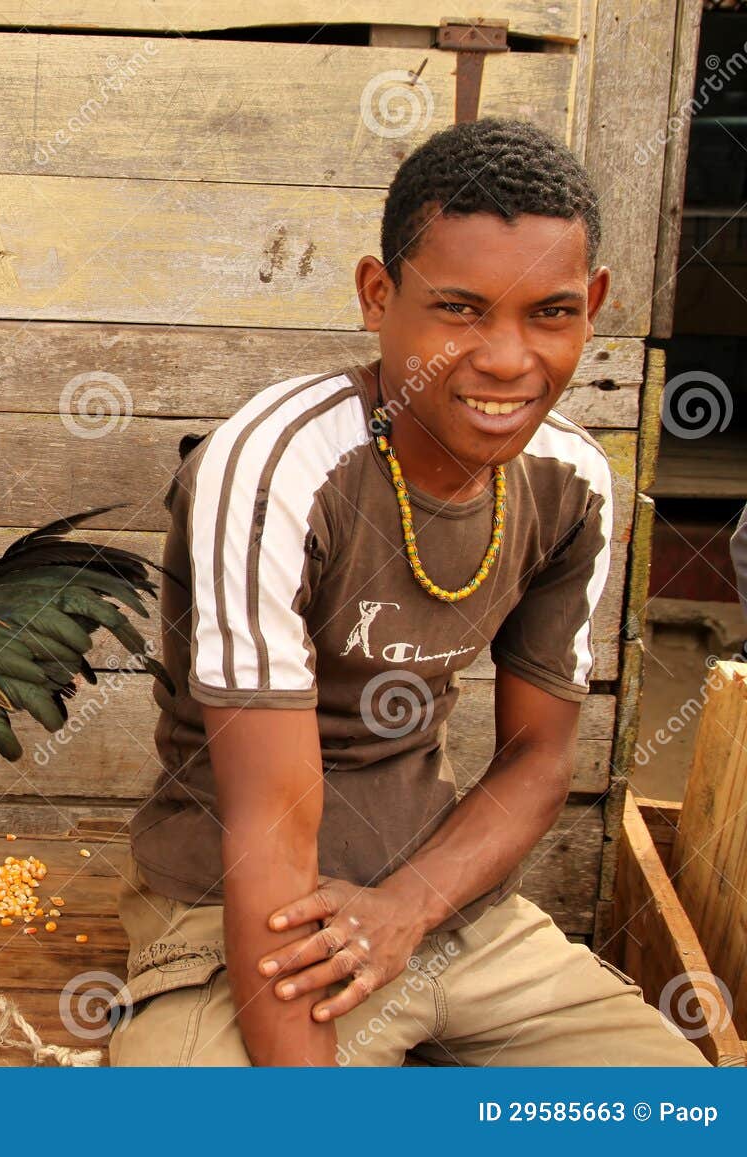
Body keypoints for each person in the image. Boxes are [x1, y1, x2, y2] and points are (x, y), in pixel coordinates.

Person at [109, 118, 709, 1067]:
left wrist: (405, 908)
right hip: (239, 906)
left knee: (674, 1099)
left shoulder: (574, 481)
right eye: (461, 309)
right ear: (377, 295)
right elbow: (274, 819)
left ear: (593, 305)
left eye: (549, 313)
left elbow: (538, 762)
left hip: (442, 905)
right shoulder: (274, 470)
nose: (509, 359)